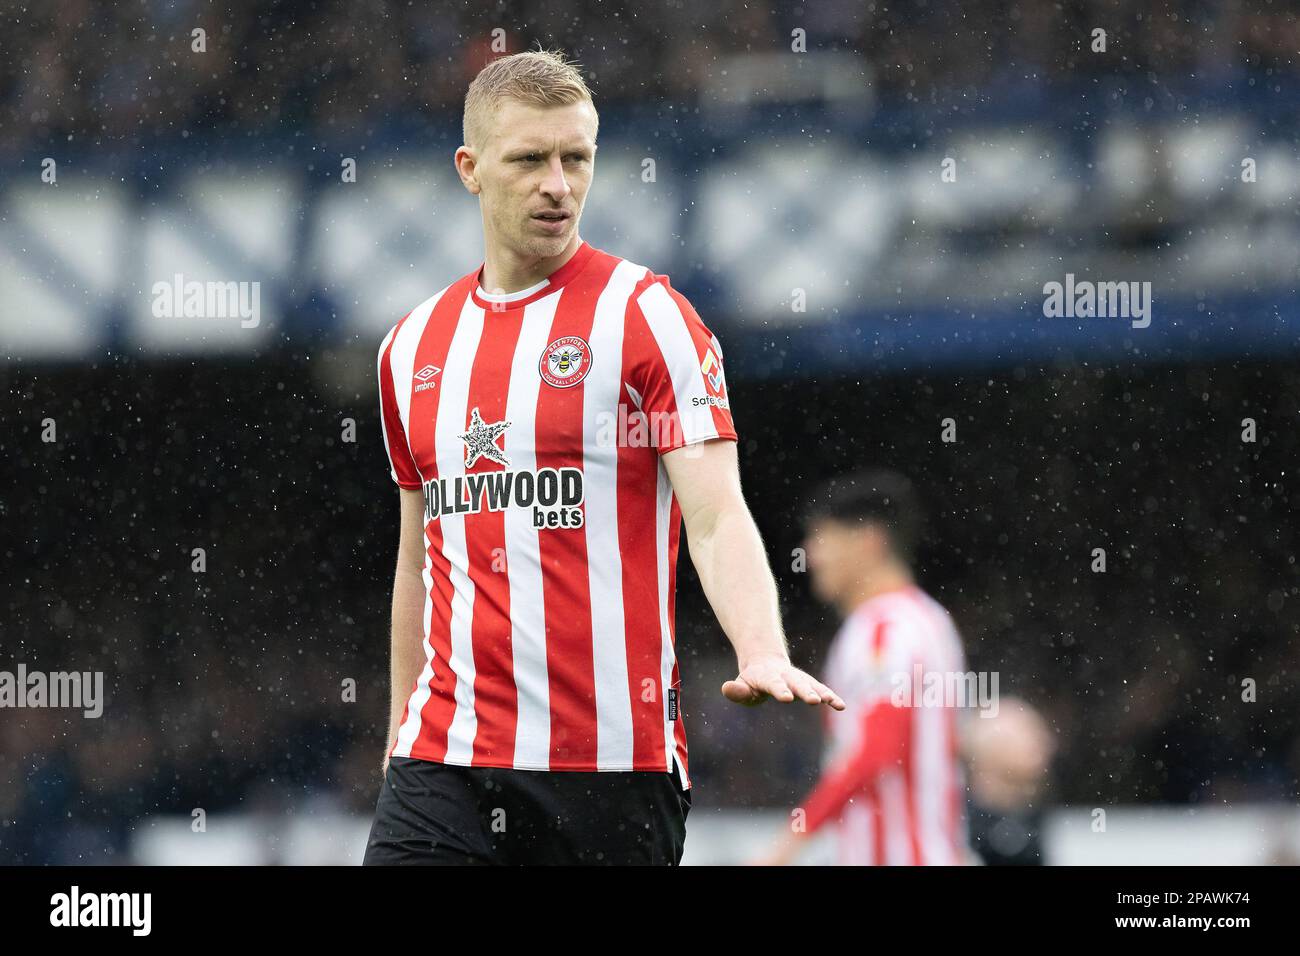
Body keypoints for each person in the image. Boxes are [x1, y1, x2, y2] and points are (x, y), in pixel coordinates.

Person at [363, 48, 843, 866]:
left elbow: (717, 514)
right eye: (530, 160)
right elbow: (419, 561)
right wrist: (398, 732)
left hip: (611, 769)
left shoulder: (649, 318)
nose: (558, 184)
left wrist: (761, 645)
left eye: (576, 158)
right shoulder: (410, 348)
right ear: (470, 169)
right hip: (444, 761)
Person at [757, 469, 971, 865]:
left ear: (869, 540)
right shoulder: (928, 621)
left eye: (822, 537)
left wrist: (786, 845)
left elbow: (879, 748)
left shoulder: (886, 630)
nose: (812, 554)